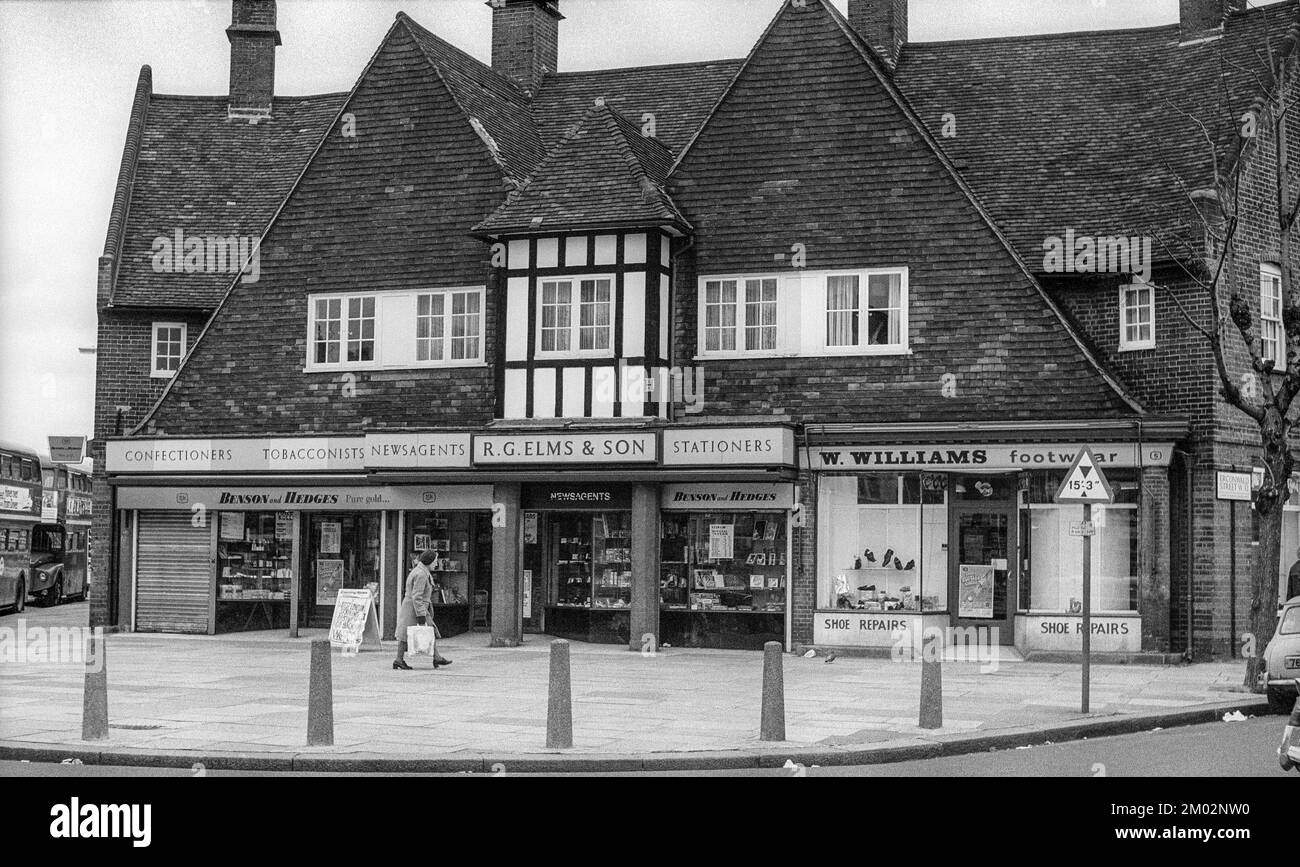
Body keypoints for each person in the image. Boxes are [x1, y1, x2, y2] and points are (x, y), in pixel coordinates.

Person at [394, 549, 453, 670]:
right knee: (408, 634)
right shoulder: (421, 574)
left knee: (417, 632)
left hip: (414, 607)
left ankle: (435, 657)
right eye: (435, 561)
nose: (436, 563)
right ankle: (399, 660)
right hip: (415, 609)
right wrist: (421, 615)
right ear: (429, 562)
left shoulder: (420, 571)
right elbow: (417, 596)